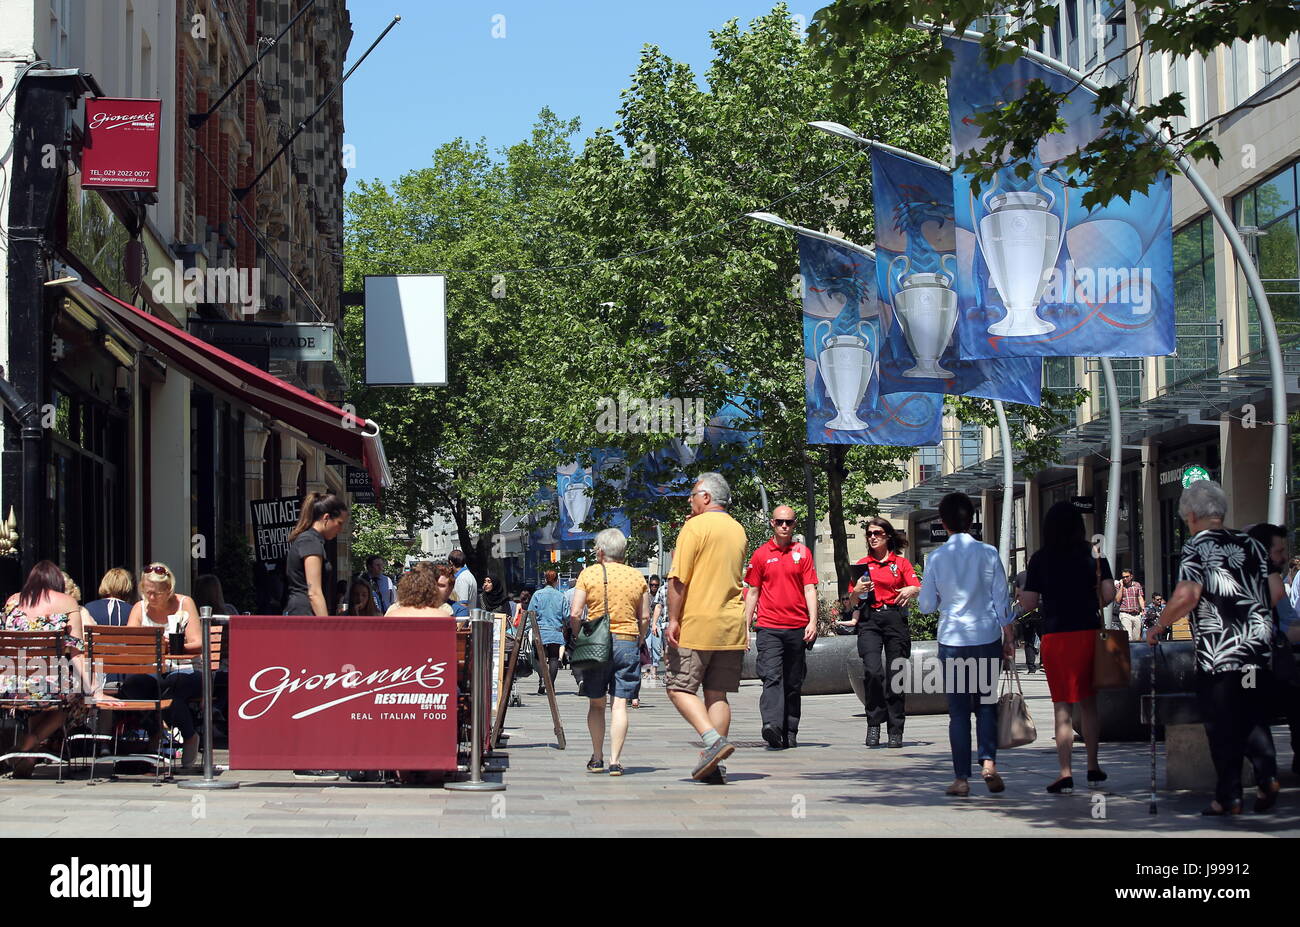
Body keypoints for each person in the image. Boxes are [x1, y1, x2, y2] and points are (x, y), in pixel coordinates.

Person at [1146, 481, 1278, 815]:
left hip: (1221, 652)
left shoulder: (1197, 546)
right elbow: (1276, 592)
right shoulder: (1253, 544)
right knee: (1252, 715)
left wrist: (1159, 626)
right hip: (1258, 649)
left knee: (1221, 723)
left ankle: (1229, 796)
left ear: (1190, 516)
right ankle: (1266, 774)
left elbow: (1187, 596)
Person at [918, 492, 1015, 797]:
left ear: (942, 522)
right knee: (986, 706)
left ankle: (961, 778)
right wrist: (1008, 636)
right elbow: (1001, 602)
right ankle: (988, 763)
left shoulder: (936, 558)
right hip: (986, 637)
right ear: (972, 519)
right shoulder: (988, 554)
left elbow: (925, 606)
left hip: (953, 640)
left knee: (958, 712)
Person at [1020, 501, 1115, 794]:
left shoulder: (1039, 559)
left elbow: (1029, 603)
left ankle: (1064, 772)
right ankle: (1093, 765)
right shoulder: (1093, 554)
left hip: (1057, 637)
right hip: (1087, 632)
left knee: (1062, 707)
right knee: (1089, 705)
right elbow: (1109, 594)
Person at [665, 472, 748, 783]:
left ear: (707, 498)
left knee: (678, 687)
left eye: (693, 494)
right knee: (717, 694)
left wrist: (674, 619)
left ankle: (713, 742)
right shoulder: (737, 529)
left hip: (698, 622)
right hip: (731, 625)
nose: (690, 499)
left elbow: (678, 579)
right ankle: (714, 767)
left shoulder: (694, 527)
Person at [0, 561, 92, 777]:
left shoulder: (13, 601)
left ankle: (28, 757)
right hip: (47, 683)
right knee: (76, 697)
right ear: (57, 582)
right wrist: (91, 687)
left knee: (42, 700)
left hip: (9, 685)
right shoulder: (67, 602)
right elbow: (76, 651)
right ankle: (29, 742)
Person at [570, 528, 649, 776]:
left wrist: (577, 635)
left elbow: (575, 613)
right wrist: (639, 638)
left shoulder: (589, 574)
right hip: (627, 641)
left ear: (601, 551)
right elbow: (644, 616)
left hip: (596, 644)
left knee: (596, 704)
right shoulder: (637, 577)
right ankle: (615, 761)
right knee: (619, 704)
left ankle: (597, 757)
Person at [744, 504, 817, 750]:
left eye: (789, 522)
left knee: (793, 682)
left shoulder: (803, 553)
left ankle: (790, 729)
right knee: (771, 677)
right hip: (769, 627)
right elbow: (752, 592)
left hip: (797, 627)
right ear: (772, 524)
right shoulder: (761, 555)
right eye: (779, 522)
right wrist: (745, 627)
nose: (784, 526)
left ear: (795, 524)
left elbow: (810, 589)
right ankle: (772, 726)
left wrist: (813, 621)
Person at [842, 516, 920, 748]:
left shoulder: (901, 563)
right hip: (870, 620)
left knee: (896, 674)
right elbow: (850, 602)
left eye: (877, 533)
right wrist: (855, 591)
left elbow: (917, 587)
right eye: (869, 534)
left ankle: (895, 729)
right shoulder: (862, 565)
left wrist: (911, 589)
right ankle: (874, 723)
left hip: (895, 618)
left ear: (887, 535)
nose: (873, 537)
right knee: (873, 671)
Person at [124, 563, 205, 769]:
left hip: (186, 668)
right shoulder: (139, 608)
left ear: (169, 590)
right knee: (131, 687)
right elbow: (129, 643)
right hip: (153, 671)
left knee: (170, 687)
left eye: (157, 594)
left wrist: (173, 646)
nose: (151, 598)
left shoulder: (185, 604)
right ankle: (155, 731)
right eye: (147, 592)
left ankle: (189, 736)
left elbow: (199, 643)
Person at [1246, 522, 1300, 777]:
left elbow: (1290, 624)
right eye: (1278, 552)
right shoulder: (1259, 581)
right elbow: (1289, 629)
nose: (1285, 558)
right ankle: (1264, 772)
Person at [283, 491, 349, 617]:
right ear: (326, 518)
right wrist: (326, 627)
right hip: (304, 615)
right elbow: (314, 592)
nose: (340, 529)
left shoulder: (311, 541)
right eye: (339, 523)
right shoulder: (310, 541)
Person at [531, 571, 568, 695]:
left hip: (540, 630)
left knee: (538, 657)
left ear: (545, 580)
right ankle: (550, 685)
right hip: (555, 631)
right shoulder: (561, 596)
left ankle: (542, 678)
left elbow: (531, 612)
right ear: (556, 581)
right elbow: (566, 615)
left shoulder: (537, 594)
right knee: (553, 657)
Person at [1012, 569, 1040, 673]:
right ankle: (1044, 663)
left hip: (1026, 611)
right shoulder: (1042, 573)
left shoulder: (1021, 575)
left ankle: (1031, 667)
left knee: (1029, 640)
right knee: (1044, 638)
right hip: (1041, 610)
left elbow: (1017, 595)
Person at [644, 574, 665, 685]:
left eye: (656, 585)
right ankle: (647, 671)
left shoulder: (661, 594)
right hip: (647, 624)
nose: (654, 587)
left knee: (656, 648)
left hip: (658, 623)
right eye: (652, 585)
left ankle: (654, 671)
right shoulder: (646, 595)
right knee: (647, 647)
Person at [1113, 567, 1146, 640]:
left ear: (1131, 576)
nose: (1125, 578)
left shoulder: (1137, 585)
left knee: (1136, 638)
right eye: (1123, 577)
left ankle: (1134, 651)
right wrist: (1121, 586)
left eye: (1127, 576)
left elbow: (1140, 597)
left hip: (1136, 614)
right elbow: (1117, 600)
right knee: (1129, 637)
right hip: (1125, 614)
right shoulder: (1119, 585)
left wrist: (1143, 608)